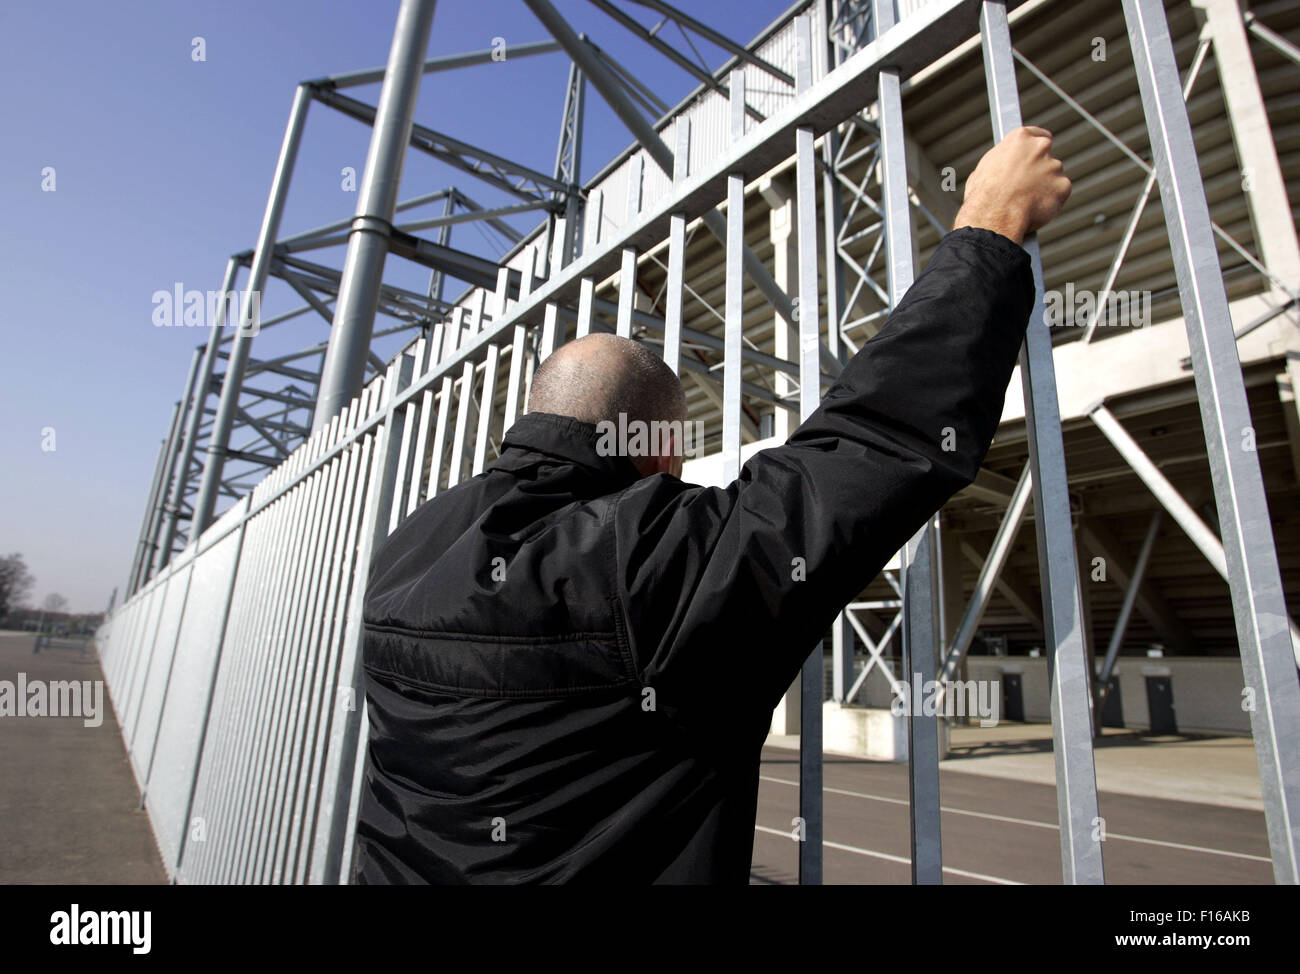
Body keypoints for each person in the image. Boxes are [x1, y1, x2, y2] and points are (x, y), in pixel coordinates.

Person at [352, 125, 1070, 884]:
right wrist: (989, 229)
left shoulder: (408, 546)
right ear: (656, 447)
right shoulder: (639, 562)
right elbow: (871, 447)